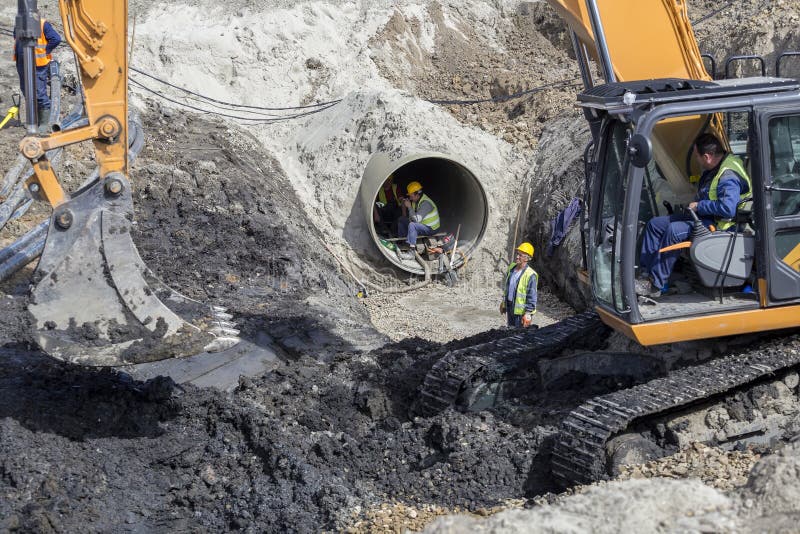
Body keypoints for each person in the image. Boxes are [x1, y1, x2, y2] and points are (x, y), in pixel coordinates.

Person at [636, 132, 752, 297]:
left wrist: (699, 205)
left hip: (720, 225)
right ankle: (645, 275)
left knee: (674, 231)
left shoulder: (728, 176)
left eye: (697, 156)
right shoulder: (715, 167)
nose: (696, 160)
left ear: (707, 156)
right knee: (656, 224)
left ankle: (655, 284)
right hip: (705, 217)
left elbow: (728, 209)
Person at [13, 16, 61, 127]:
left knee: (39, 93)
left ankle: (44, 124)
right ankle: (33, 122)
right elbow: (16, 38)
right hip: (21, 62)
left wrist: (45, 51)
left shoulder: (43, 24)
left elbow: (56, 39)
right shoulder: (19, 22)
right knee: (26, 91)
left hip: (38, 64)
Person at [395, 181, 440, 260]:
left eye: (411, 195)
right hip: (422, 224)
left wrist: (409, 207)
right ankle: (403, 241)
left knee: (412, 225)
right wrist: (409, 208)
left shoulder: (426, 203)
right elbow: (411, 217)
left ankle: (411, 253)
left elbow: (416, 220)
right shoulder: (415, 201)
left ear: (417, 194)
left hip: (431, 228)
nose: (410, 198)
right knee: (401, 219)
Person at [500, 242, 538, 328]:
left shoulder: (530, 275)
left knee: (520, 336)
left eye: (520, 255)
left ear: (527, 258)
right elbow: (508, 288)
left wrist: (528, 314)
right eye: (517, 254)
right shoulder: (512, 268)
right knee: (510, 332)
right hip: (510, 307)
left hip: (521, 313)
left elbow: (532, 296)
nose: (517, 257)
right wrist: (504, 303)